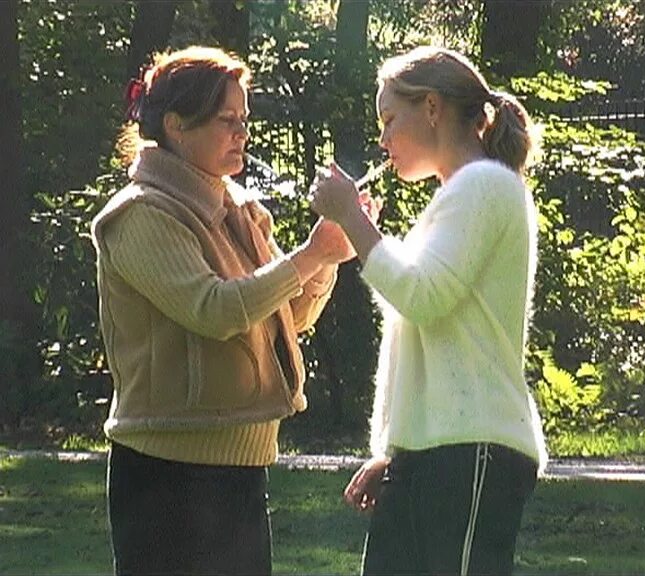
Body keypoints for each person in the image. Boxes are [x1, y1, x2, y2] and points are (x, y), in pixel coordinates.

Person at [91, 46, 357, 575]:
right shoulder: (141, 214)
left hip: (239, 466)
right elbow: (214, 311)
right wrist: (311, 255)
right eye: (227, 120)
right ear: (176, 126)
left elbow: (289, 315)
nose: (243, 133)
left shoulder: (235, 207)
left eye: (245, 120)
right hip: (166, 472)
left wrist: (327, 257)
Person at [310, 46, 548, 575]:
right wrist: (396, 450)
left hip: (473, 449)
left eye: (391, 119)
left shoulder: (486, 186)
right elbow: (423, 332)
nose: (382, 139)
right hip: (431, 454)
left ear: (433, 108)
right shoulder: (455, 198)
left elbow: (422, 296)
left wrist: (353, 218)